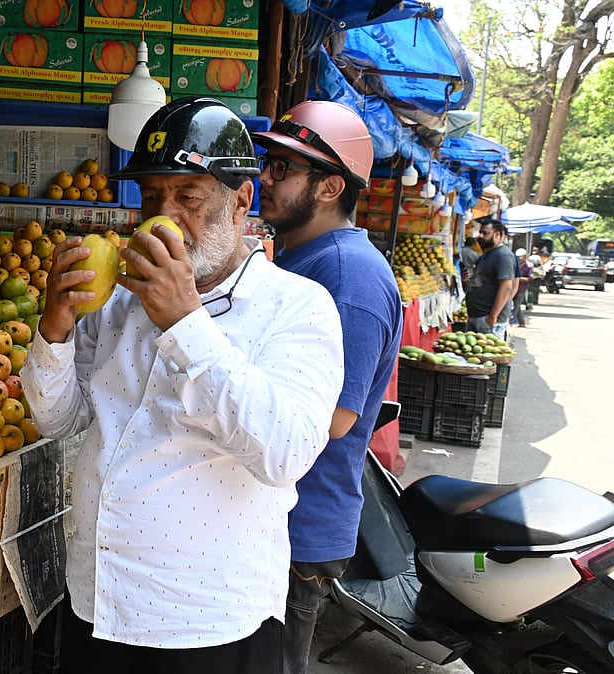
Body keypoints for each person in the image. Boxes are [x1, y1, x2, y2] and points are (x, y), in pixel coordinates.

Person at [21, 97, 345, 673]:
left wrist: (185, 325)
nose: (164, 217)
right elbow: (60, 422)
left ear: (242, 200)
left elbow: (286, 453)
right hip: (97, 601)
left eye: (188, 198)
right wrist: (55, 329)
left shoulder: (296, 308)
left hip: (205, 624)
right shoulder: (120, 300)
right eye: (151, 198)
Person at [250, 100, 404, 674]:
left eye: (282, 169)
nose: (264, 178)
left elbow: (334, 417)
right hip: (270, 512)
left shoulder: (348, 274)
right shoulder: (300, 258)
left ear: (329, 186)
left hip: (300, 526)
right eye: (268, 164)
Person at [465, 218, 518, 341]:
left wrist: (492, 317)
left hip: (488, 320)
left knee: (485, 357)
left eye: (486, 233)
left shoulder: (503, 255)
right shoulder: (487, 254)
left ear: (498, 234)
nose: (482, 236)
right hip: (477, 316)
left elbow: (506, 287)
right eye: (481, 233)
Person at [512, 248, 533, 327]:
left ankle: (511, 320)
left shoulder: (529, 266)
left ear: (524, 257)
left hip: (521, 289)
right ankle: (522, 322)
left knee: (516, 305)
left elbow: (530, 278)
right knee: (515, 305)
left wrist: (519, 278)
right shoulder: (514, 264)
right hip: (513, 287)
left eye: (521, 257)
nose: (519, 258)